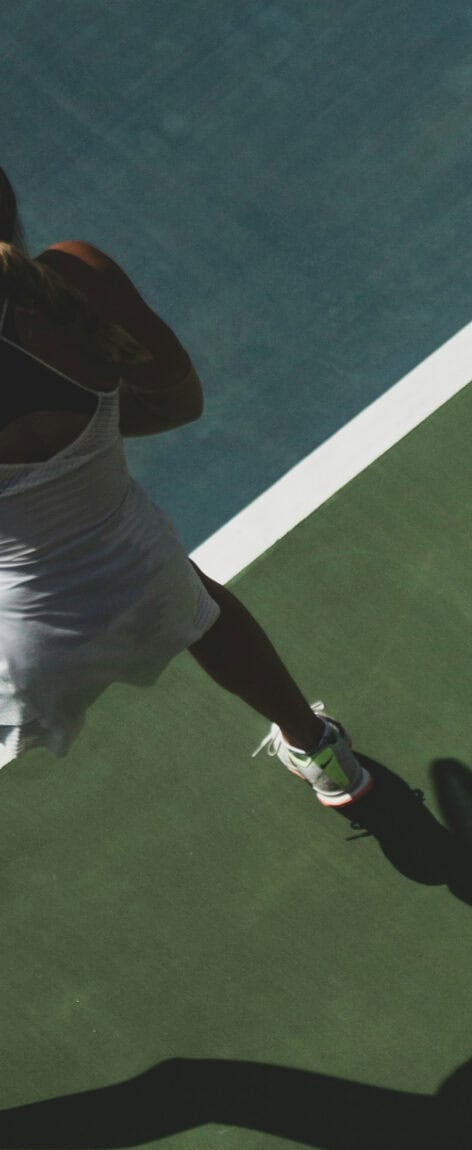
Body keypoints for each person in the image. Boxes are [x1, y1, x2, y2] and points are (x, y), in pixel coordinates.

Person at [0, 165, 371, 806]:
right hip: (151, 577)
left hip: (24, 660)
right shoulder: (79, 275)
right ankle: (321, 752)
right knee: (206, 609)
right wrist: (86, 445)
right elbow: (176, 403)